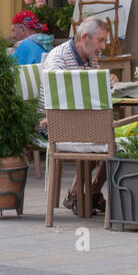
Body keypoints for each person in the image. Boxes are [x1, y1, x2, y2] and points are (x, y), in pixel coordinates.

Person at [44, 17, 114, 213]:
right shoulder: (59, 59)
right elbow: (57, 100)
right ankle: (75, 194)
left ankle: (92, 191)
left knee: (114, 137)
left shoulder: (90, 59)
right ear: (85, 37)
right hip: (52, 125)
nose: (104, 46)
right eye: (100, 40)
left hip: (80, 121)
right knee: (106, 137)